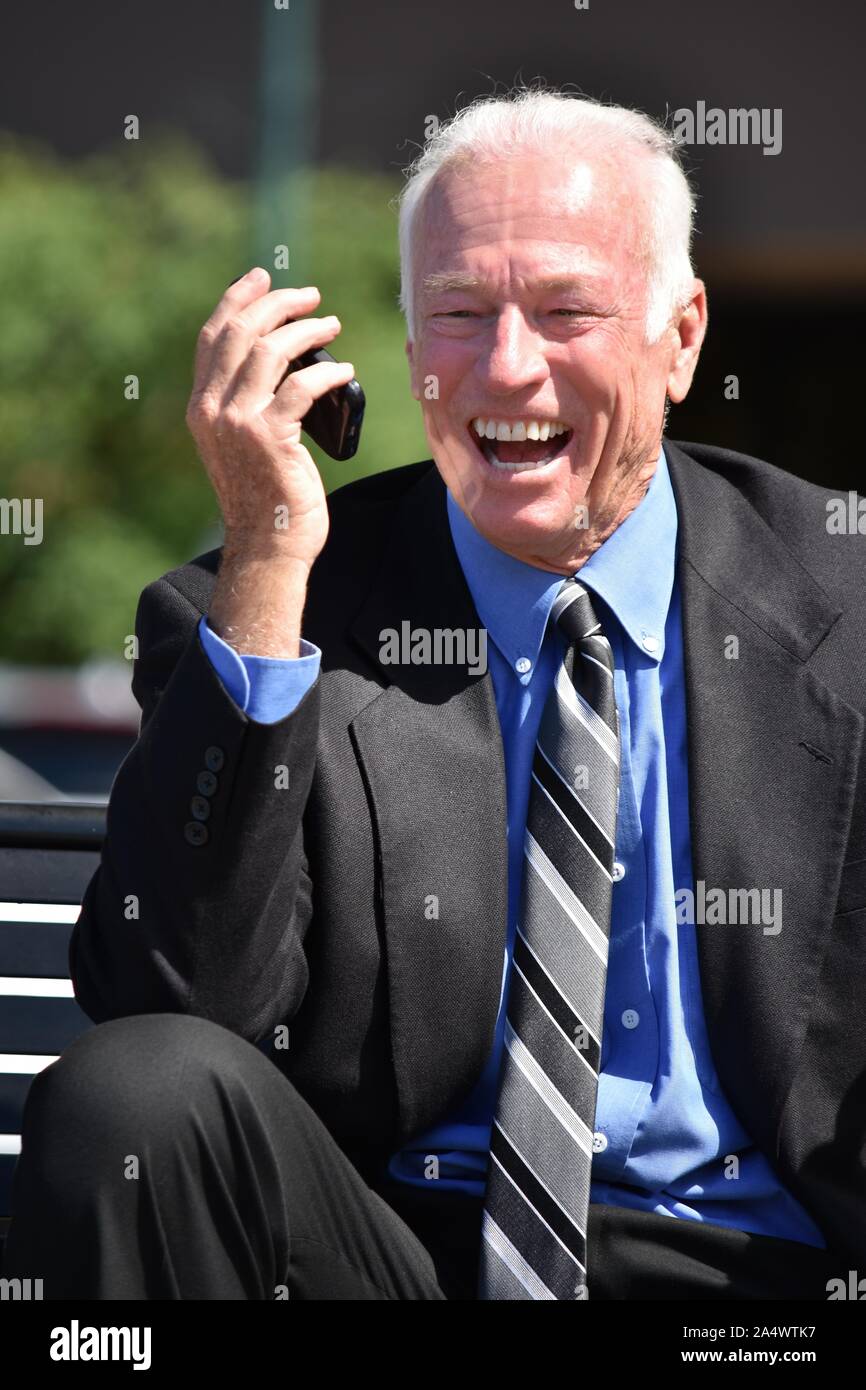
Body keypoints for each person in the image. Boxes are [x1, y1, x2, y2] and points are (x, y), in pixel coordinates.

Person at [6, 88, 865, 1301]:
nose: (506, 368)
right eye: (459, 314)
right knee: (132, 1095)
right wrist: (264, 566)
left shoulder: (846, 601)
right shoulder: (269, 597)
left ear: (680, 339)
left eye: (565, 309)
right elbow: (174, 1005)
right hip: (400, 1259)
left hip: (755, 1286)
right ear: (408, 354)